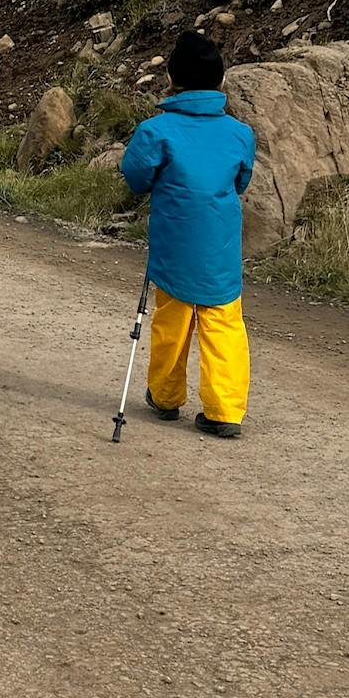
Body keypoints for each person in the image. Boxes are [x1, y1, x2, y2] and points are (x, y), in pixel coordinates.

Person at [119, 30, 258, 439]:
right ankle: (225, 410)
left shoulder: (156, 130)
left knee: (172, 321)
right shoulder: (240, 133)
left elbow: (136, 177)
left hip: (175, 245)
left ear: (170, 80)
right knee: (224, 322)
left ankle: (164, 396)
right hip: (220, 247)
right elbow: (241, 181)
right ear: (220, 82)